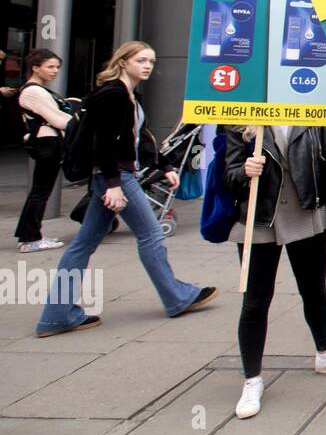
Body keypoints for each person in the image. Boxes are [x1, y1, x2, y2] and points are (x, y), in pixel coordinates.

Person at [36, 42, 218, 337]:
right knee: (150, 235)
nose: (147, 66)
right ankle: (177, 297)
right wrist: (112, 184)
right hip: (117, 176)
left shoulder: (130, 95)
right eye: (141, 60)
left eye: (151, 61)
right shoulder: (113, 95)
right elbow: (104, 143)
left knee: (83, 245)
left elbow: (137, 139)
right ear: (123, 62)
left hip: (116, 175)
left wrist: (165, 166)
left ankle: (56, 315)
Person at [224, 122, 326, 418]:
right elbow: (228, 174)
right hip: (259, 219)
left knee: (314, 291)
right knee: (255, 301)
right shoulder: (242, 117)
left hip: (305, 212)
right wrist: (245, 171)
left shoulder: (311, 109)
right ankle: (252, 379)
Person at [15, 49, 72, 252]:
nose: (55, 71)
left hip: (47, 143)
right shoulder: (34, 91)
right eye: (50, 67)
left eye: (57, 67)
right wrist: (80, 122)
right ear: (35, 68)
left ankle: (29, 235)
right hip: (48, 144)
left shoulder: (38, 90)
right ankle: (30, 238)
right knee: (41, 192)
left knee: (40, 192)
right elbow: (57, 119)